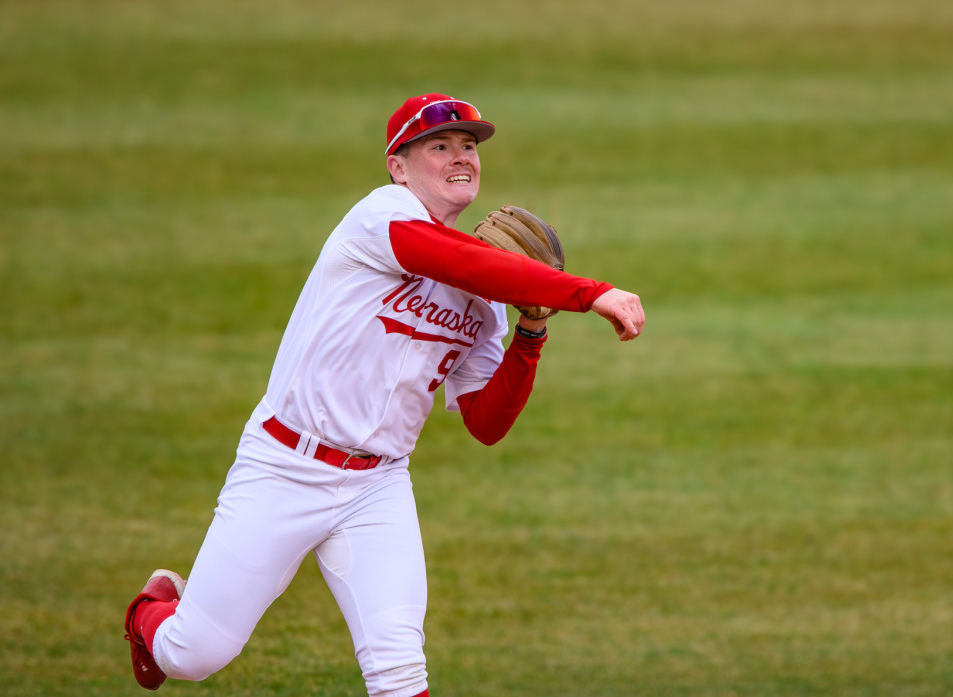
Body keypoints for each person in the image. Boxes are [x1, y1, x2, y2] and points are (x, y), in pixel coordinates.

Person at [122, 93, 646, 696]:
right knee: (195, 653)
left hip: (377, 486)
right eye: (439, 146)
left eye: (469, 146)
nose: (461, 157)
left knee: (398, 668)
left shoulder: (485, 297)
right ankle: (148, 616)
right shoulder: (380, 217)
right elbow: (445, 257)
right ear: (399, 166)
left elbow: (485, 421)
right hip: (284, 466)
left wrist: (531, 330)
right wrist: (586, 292)